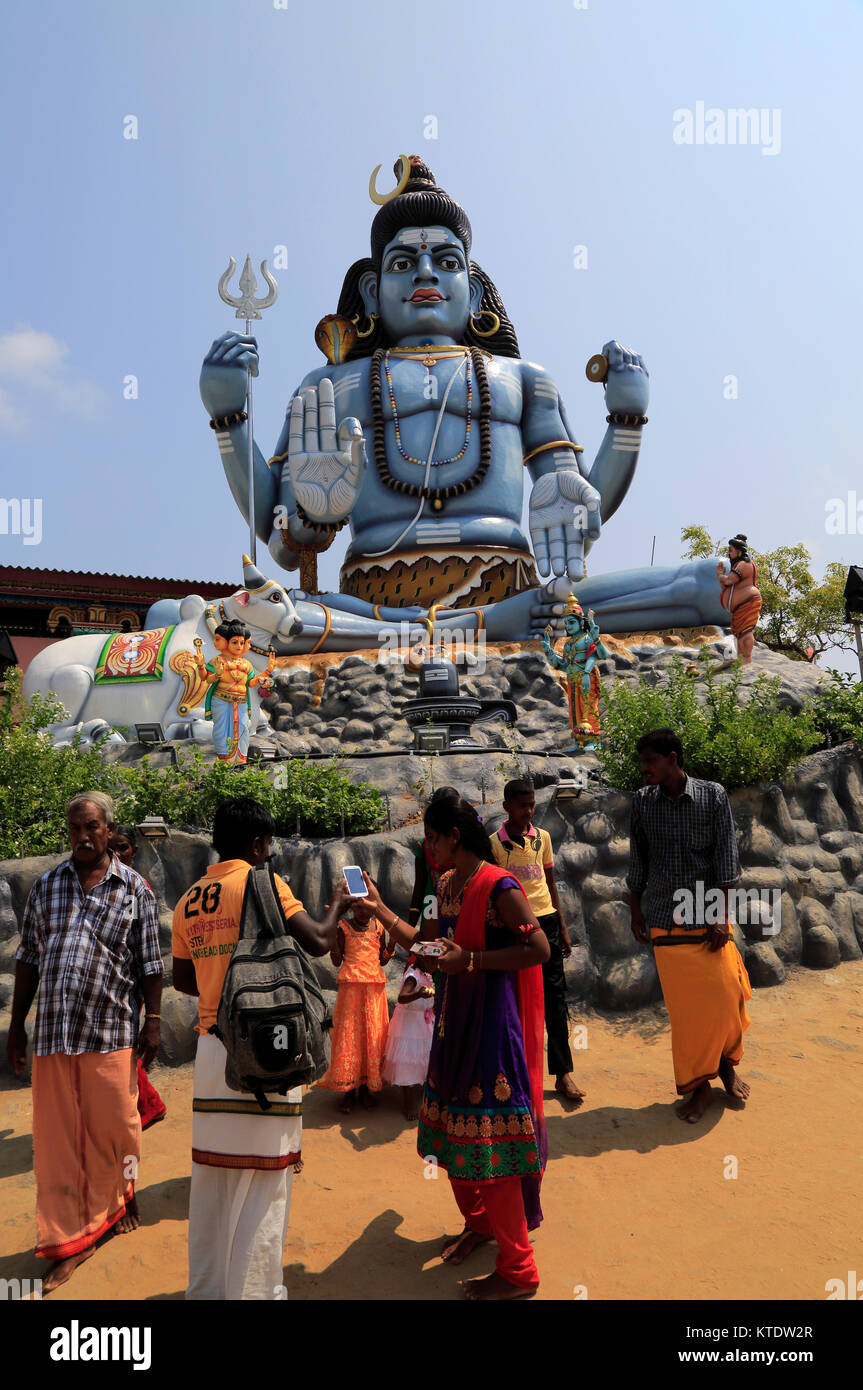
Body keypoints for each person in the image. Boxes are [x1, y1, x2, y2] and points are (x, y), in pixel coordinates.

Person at [363, 796, 550, 1301]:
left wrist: (471, 962)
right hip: (451, 1028)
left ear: (453, 837)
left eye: (431, 837)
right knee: (450, 1138)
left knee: (495, 1150)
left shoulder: (499, 886)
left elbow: (538, 949)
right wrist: (377, 909)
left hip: (492, 1033)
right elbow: (425, 947)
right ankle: (481, 1226)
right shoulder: (445, 887)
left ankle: (519, 1272)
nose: (427, 846)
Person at [172, 796, 350, 1300]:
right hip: (268, 1046)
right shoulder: (263, 882)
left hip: (212, 1055)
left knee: (212, 1181)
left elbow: (184, 979)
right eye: (268, 846)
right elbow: (317, 940)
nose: (269, 854)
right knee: (265, 1182)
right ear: (256, 844)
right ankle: (253, 1292)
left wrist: (220, 982)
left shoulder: (190, 898)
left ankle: (207, 1290)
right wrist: (338, 903)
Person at [7, 792, 162, 1293]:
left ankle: (122, 1196)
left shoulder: (135, 889)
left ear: (107, 828)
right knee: (57, 1144)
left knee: (119, 1128)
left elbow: (151, 965)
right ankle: (72, 1240)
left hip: (111, 1029)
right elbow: (28, 957)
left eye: (91, 827)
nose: (82, 836)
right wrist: (16, 1026)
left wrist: (154, 1020)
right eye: (74, 828)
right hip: (54, 1033)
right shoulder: (47, 885)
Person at [626, 729, 752, 1124]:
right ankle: (700, 1087)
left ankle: (727, 1065)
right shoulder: (642, 802)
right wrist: (635, 909)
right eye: (643, 762)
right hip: (664, 915)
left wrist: (721, 914)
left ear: (673, 759)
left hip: (708, 912)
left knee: (729, 996)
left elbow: (726, 858)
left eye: (651, 761)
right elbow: (638, 859)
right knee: (687, 1013)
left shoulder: (713, 795)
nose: (644, 768)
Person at [490, 779, 585, 1105]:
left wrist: (561, 924)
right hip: (515, 927)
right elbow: (497, 893)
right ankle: (516, 1076)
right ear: (507, 807)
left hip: (546, 922)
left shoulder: (541, 837)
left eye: (531, 805)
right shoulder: (495, 845)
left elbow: (549, 882)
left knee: (555, 1000)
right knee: (515, 1001)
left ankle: (562, 1074)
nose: (528, 811)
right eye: (522, 805)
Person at [109, 825, 167, 1130]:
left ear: (134, 851)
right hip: (114, 982)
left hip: (131, 981)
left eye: (122, 848)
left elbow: (139, 939)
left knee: (125, 1049)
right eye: (112, 848)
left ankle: (150, 1104)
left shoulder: (135, 888)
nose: (116, 854)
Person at [317, 893, 395, 1114]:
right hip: (351, 989)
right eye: (358, 908)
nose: (363, 912)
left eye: (367, 908)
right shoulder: (342, 927)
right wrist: (332, 934)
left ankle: (367, 1088)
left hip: (374, 990)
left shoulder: (379, 926)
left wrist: (393, 943)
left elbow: (382, 959)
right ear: (351, 907)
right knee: (350, 1037)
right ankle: (350, 1091)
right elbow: (335, 960)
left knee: (371, 1037)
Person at [195, 618, 276, 764]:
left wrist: (266, 673)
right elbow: (206, 679)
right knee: (222, 730)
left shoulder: (246, 664)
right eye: (234, 642)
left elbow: (250, 683)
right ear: (227, 642)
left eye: (241, 642)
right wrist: (204, 668)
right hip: (221, 700)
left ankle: (240, 762)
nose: (239, 646)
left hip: (242, 702)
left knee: (244, 730)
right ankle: (224, 762)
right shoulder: (218, 661)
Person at [382, 954, 435, 1120]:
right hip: (409, 1025)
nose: (435, 964)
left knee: (421, 1059)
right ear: (421, 958)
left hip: (423, 1024)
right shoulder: (413, 976)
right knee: (408, 1061)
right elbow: (402, 997)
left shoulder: (426, 975)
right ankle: (409, 1103)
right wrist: (419, 994)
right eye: (432, 960)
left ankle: (422, 1097)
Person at [716, 533, 762, 664]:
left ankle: (746, 657)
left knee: (746, 632)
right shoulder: (736, 566)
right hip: (739, 607)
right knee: (738, 633)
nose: (729, 553)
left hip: (749, 602)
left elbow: (730, 580)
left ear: (739, 551)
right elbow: (726, 584)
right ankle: (740, 657)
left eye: (731, 550)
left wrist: (720, 575)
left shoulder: (745, 564)